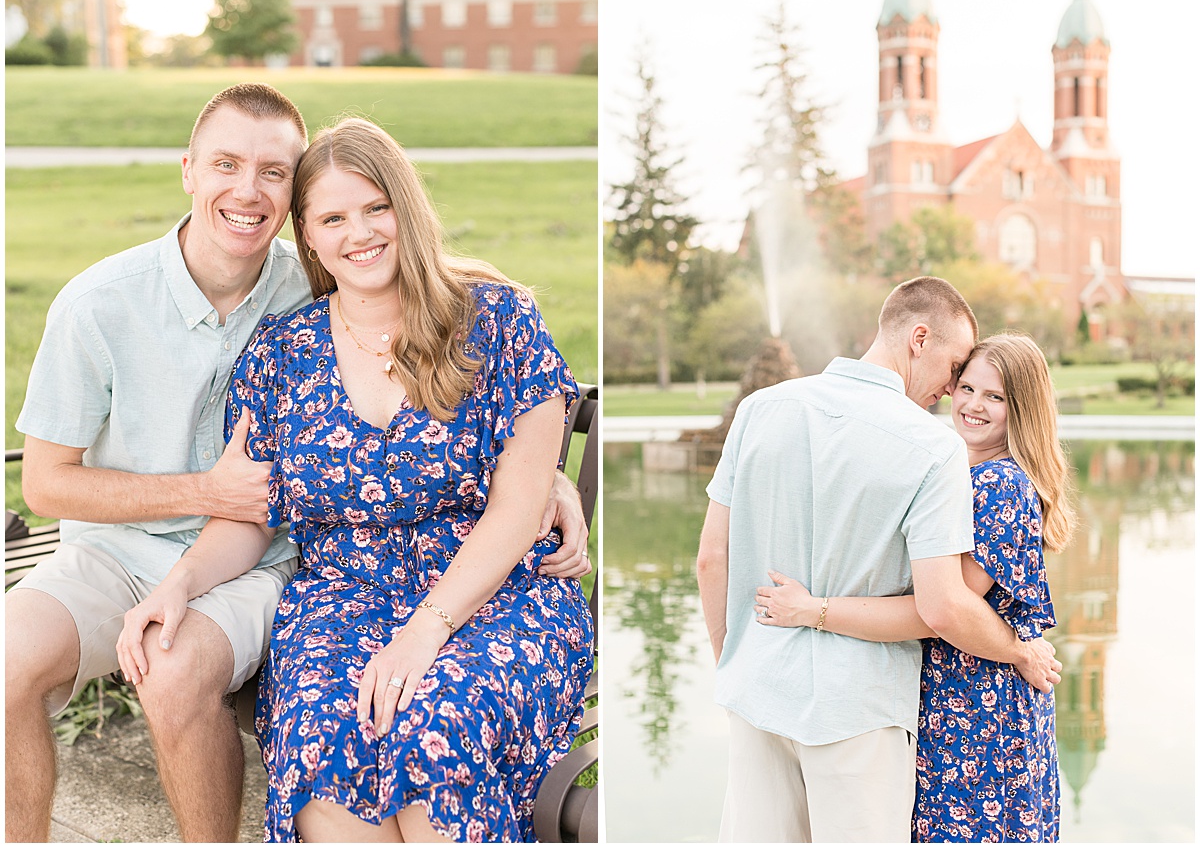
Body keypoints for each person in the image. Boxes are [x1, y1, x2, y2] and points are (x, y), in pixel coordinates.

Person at [5, 84, 590, 844]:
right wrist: (189, 551)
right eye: (335, 218)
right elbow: (80, 488)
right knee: (320, 737)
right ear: (305, 234)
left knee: (428, 722)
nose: (358, 233)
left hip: (429, 586)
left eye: (376, 208)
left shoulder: (480, 315)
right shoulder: (265, 340)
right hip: (275, 581)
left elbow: (513, 476)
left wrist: (548, 482)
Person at [695, 276, 1062, 843]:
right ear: (920, 338)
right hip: (858, 711)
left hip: (755, 689)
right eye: (957, 367)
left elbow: (711, 559)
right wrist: (1018, 648)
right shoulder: (932, 447)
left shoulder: (758, 408)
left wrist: (735, 663)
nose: (952, 388)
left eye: (987, 390)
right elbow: (942, 608)